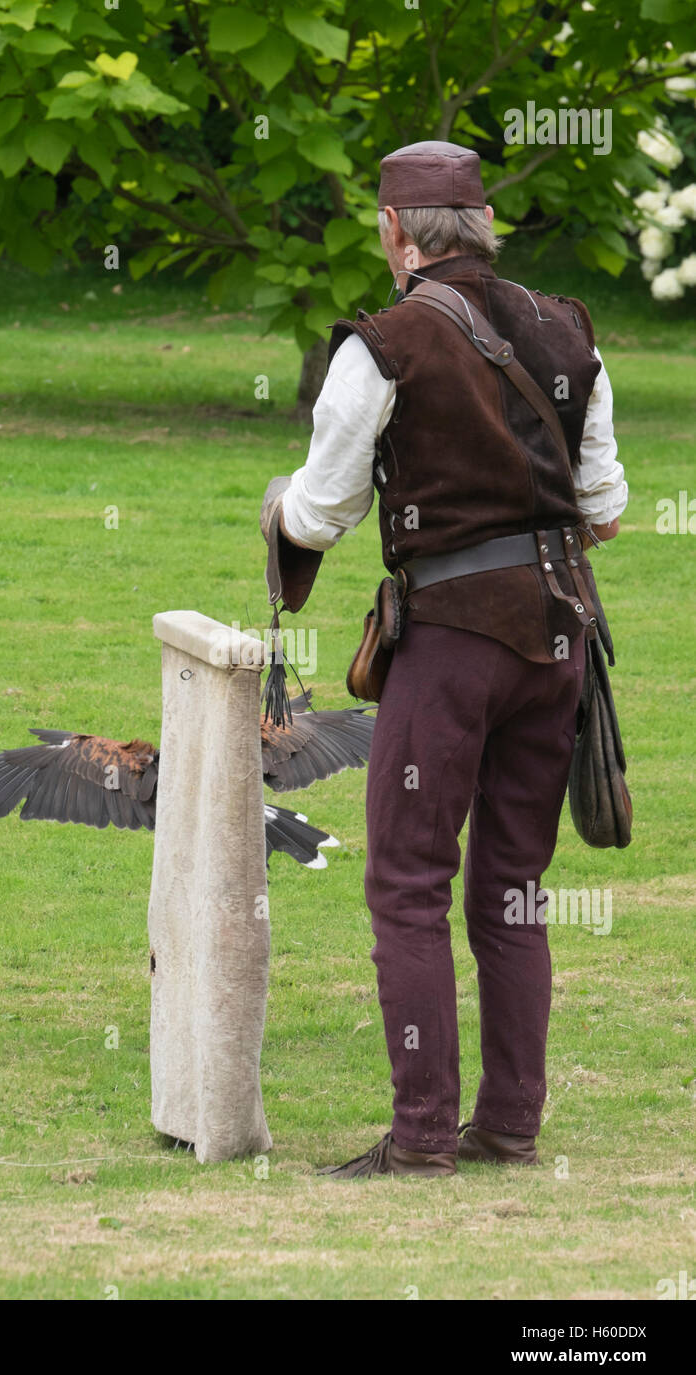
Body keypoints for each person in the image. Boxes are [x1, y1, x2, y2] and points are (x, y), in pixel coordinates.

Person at [259, 141, 627, 1179]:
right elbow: (602, 515)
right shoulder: (565, 329)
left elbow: (321, 512)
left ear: (392, 231)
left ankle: (421, 1137)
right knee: (510, 885)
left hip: (454, 643)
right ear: (481, 227)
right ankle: (506, 1125)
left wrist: (273, 509)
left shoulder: (380, 345)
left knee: (409, 882)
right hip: (559, 641)